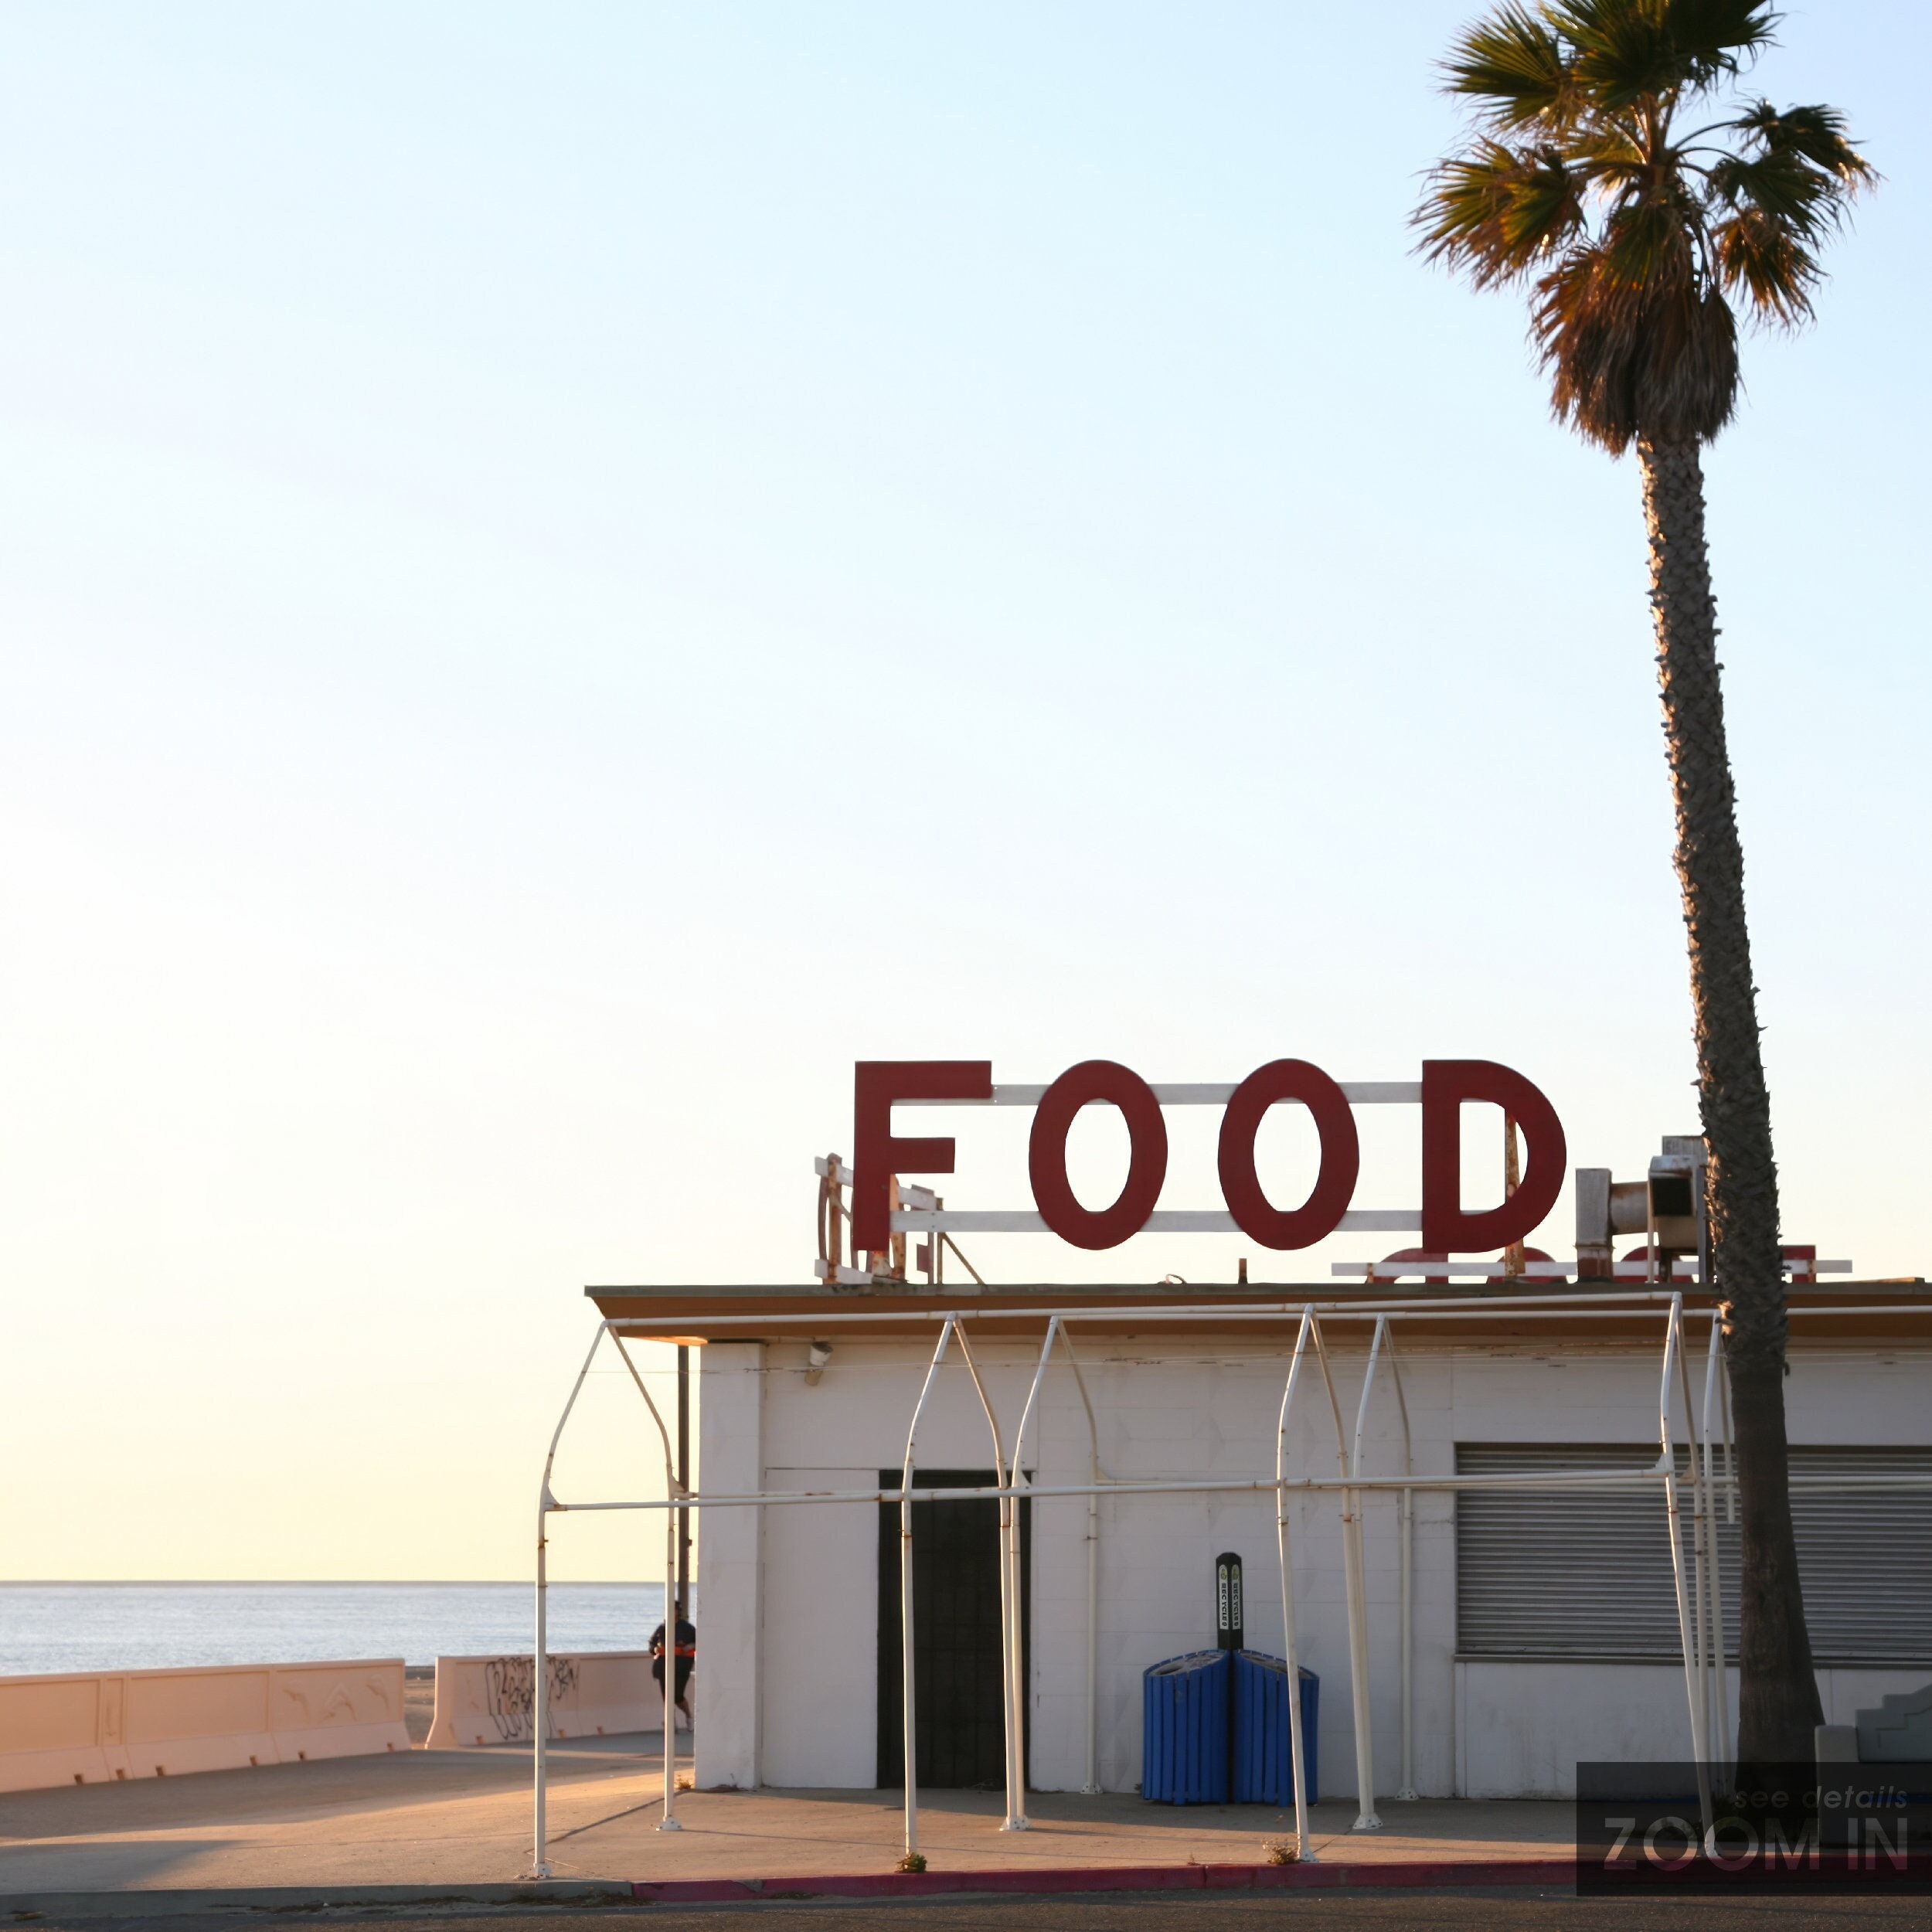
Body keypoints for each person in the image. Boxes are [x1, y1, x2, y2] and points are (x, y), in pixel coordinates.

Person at [648, 1614, 696, 1729]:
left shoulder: (688, 1628)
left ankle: (689, 1716)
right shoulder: (661, 1628)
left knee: (677, 1695)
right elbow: (652, 1644)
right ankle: (671, 1723)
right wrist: (655, 1649)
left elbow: (700, 1641)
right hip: (663, 1665)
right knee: (666, 1695)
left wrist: (691, 1646)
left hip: (682, 1666)